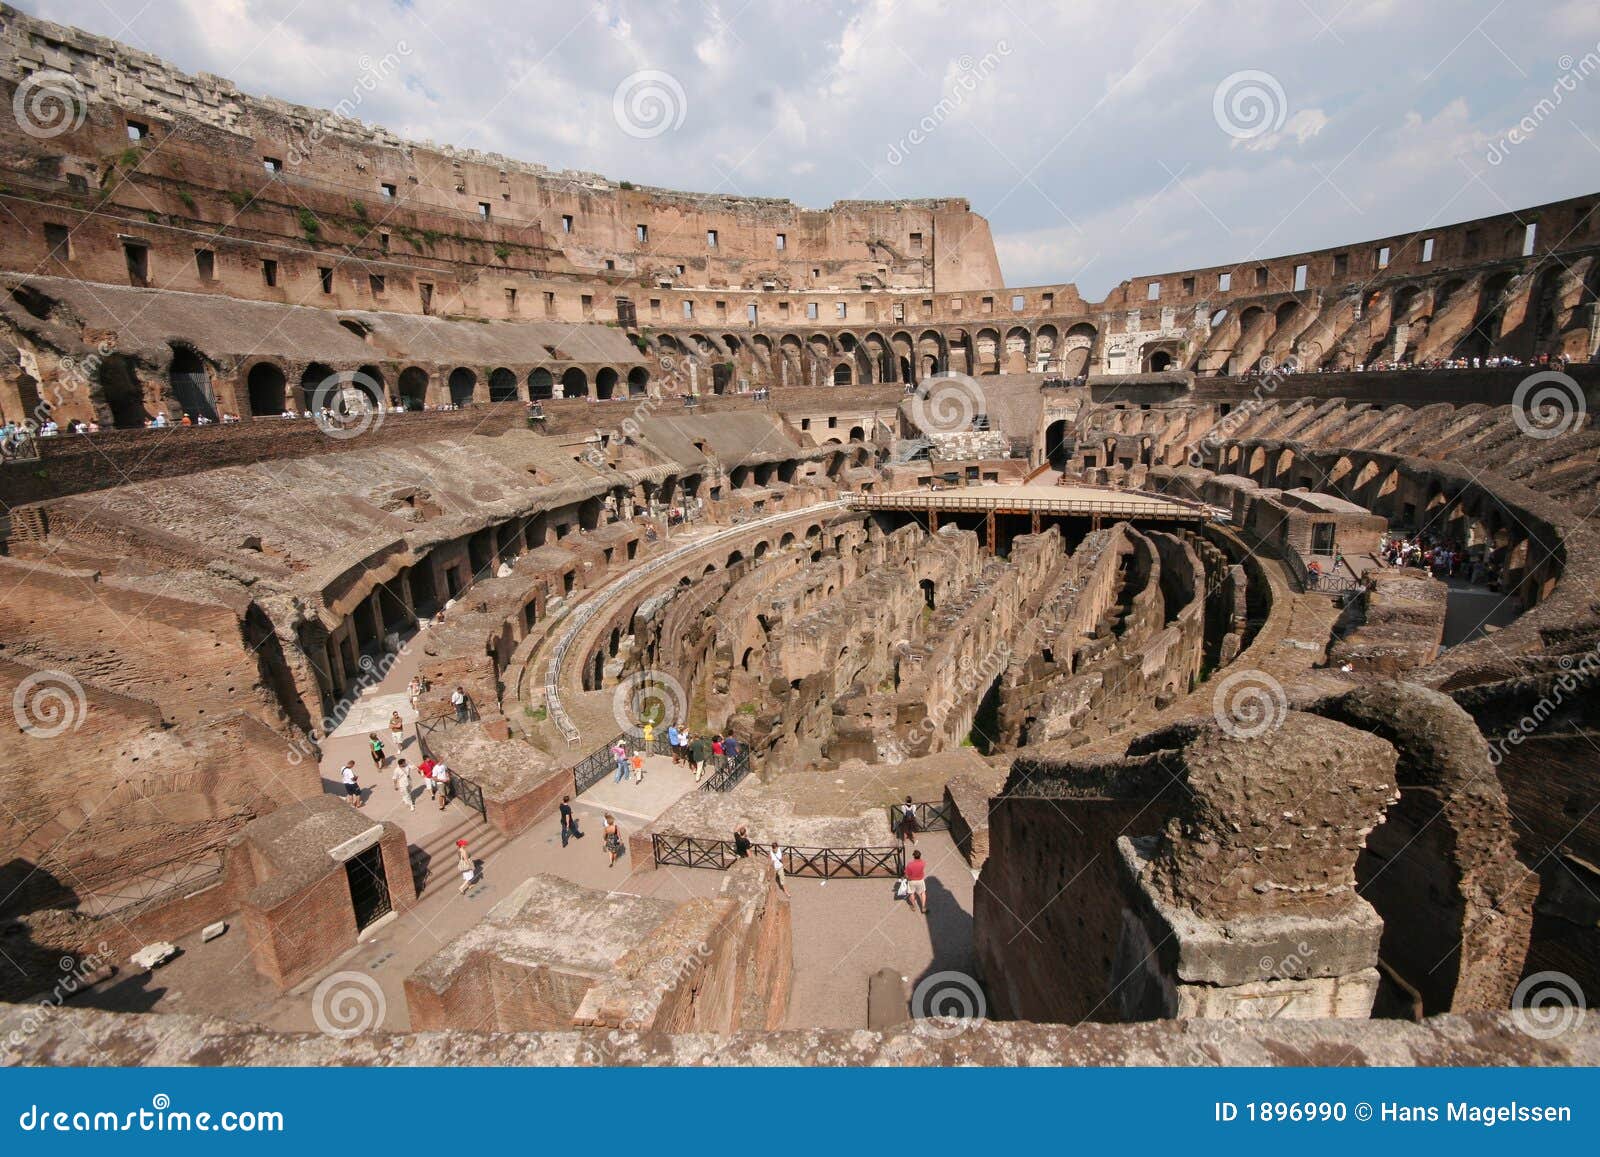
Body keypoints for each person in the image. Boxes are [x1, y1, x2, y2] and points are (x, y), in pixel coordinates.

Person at [904, 848, 927, 914]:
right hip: (920, 880)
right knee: (923, 893)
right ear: (920, 856)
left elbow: (906, 874)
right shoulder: (923, 863)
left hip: (911, 881)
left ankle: (914, 906)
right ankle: (923, 907)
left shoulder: (909, 864)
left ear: (913, 856)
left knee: (911, 893)